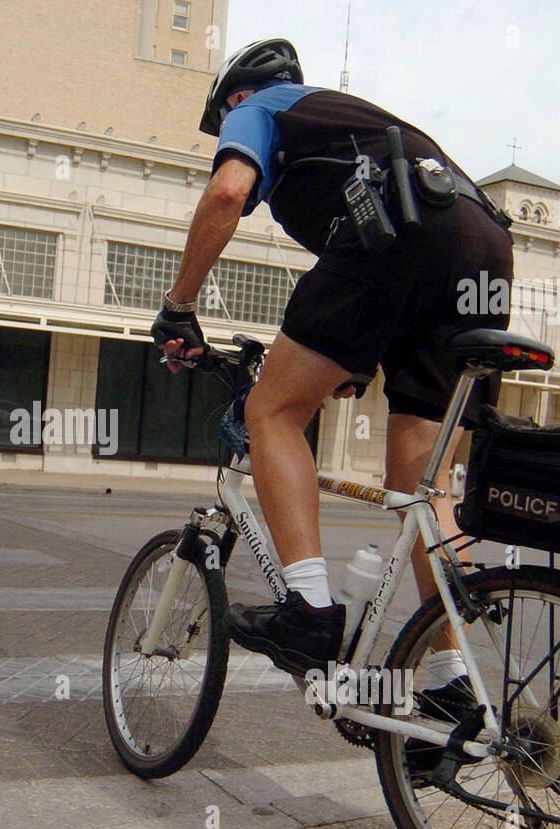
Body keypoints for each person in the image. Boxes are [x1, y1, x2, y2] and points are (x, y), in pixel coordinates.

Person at [151, 38, 512, 713]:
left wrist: (179, 307)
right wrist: (353, 359)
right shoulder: (356, 128)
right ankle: (452, 683)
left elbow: (228, 192)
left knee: (270, 412)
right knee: (421, 491)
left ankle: (310, 612)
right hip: (482, 243)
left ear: (234, 97)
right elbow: (395, 275)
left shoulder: (262, 105)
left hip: (404, 225)